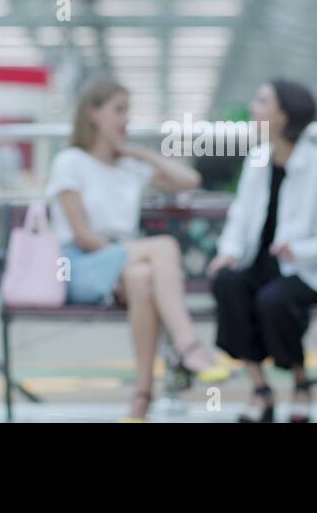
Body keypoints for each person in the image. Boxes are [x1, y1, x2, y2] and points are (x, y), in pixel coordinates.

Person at [46, 78, 229, 422]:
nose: (126, 119)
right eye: (118, 110)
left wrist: (139, 153)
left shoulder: (129, 168)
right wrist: (127, 252)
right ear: (93, 113)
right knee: (162, 248)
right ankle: (188, 345)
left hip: (126, 265)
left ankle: (141, 402)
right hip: (80, 264)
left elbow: (190, 180)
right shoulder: (70, 162)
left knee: (142, 277)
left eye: (128, 111)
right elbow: (83, 236)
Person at [207, 79, 317, 423]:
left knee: (273, 300)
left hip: (302, 270)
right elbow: (239, 216)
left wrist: (297, 250)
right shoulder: (256, 160)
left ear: (283, 115)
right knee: (227, 284)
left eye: (262, 101)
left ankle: (301, 382)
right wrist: (228, 252)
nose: (253, 108)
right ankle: (260, 389)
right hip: (257, 263)